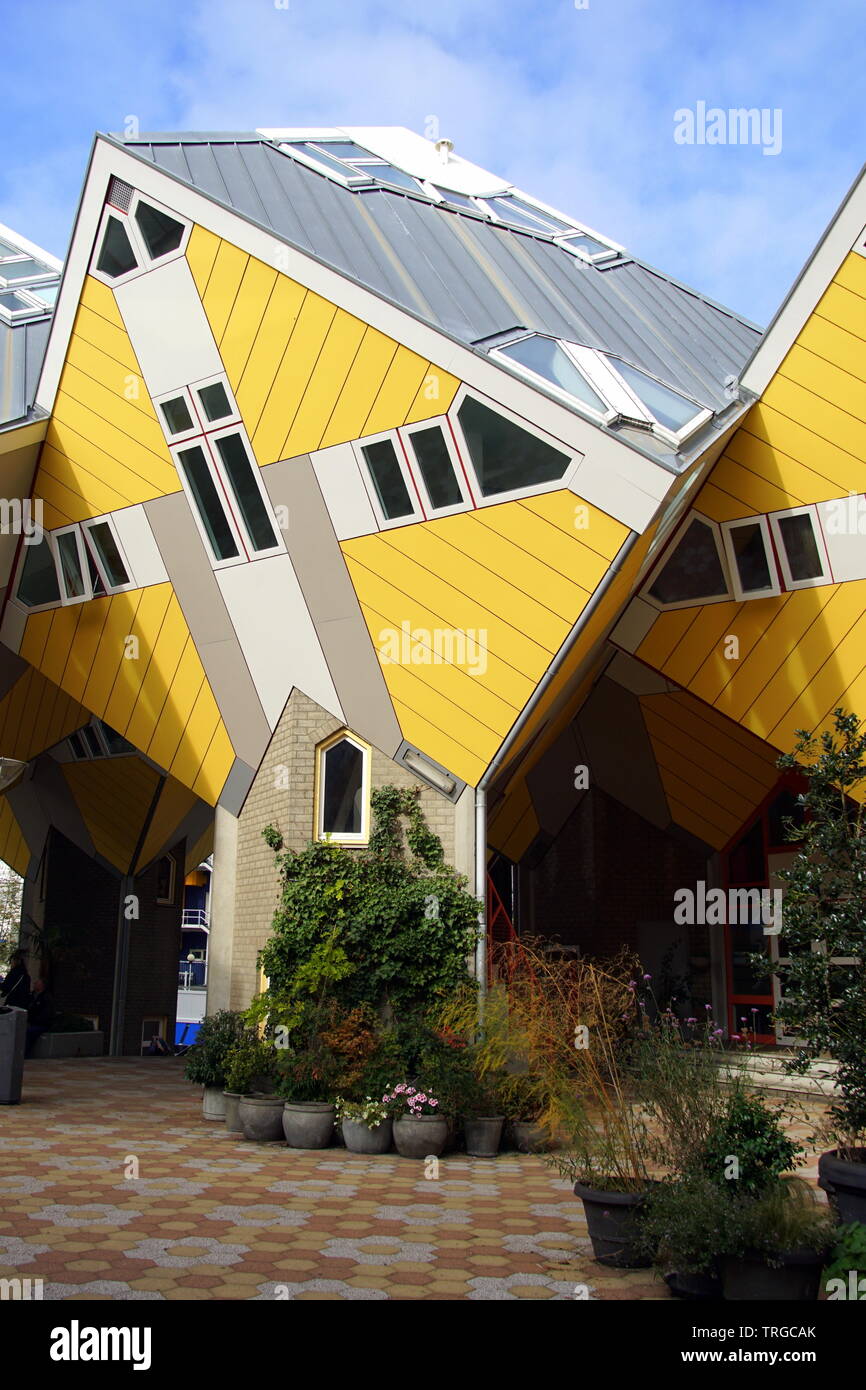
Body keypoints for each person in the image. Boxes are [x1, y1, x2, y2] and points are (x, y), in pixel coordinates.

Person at [25, 977, 55, 1058]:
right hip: (30, 1022)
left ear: (42, 986)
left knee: (29, 1032)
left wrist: (33, 1022)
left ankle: (26, 1054)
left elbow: (46, 1014)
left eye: (37, 983)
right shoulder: (31, 996)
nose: (34, 984)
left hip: (41, 1024)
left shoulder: (46, 998)